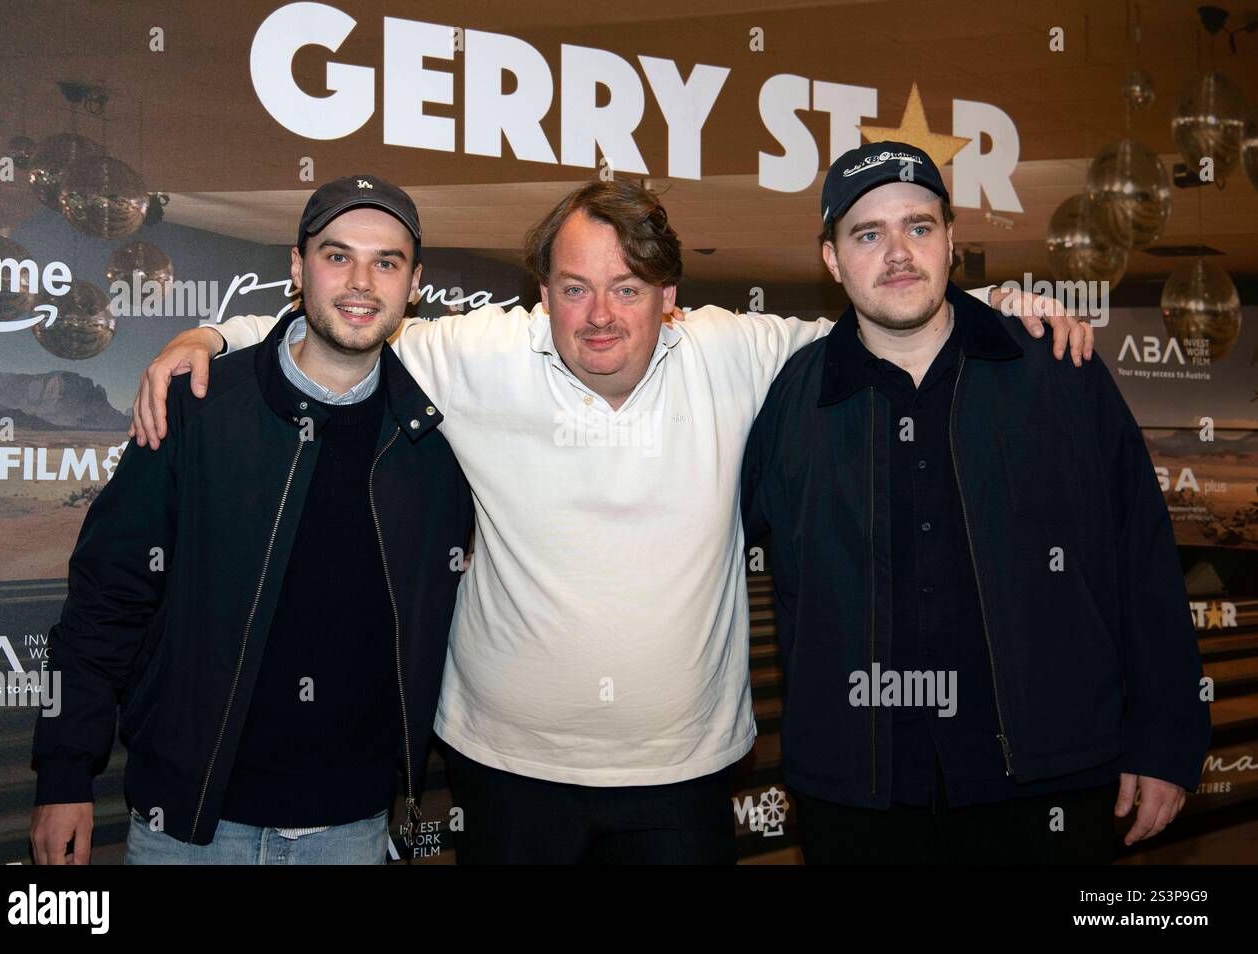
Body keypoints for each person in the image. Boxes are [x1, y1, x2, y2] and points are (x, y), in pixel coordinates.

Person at [129, 177, 1090, 864]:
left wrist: (1003, 306)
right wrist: (209, 335)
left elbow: (898, 314)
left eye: (628, 288)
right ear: (539, 295)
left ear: (670, 300)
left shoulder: (735, 352)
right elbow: (346, 321)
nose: (599, 315)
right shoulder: (482, 353)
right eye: (575, 288)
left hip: (685, 778)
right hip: (505, 773)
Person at [741, 142, 1211, 864]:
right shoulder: (792, 402)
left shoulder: (1060, 372)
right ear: (832, 258)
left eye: (919, 228)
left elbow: (1141, 559)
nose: (898, 253)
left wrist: (1166, 739)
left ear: (951, 242)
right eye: (868, 234)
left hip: (1047, 786)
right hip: (858, 799)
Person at [29, 176, 473, 864]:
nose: (361, 281)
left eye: (386, 262)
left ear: (413, 282)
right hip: (191, 826)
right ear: (298, 269)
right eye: (336, 256)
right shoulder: (199, 408)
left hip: (351, 826)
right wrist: (63, 776)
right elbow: (103, 600)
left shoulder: (434, 441)